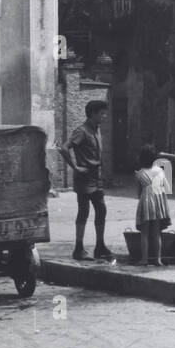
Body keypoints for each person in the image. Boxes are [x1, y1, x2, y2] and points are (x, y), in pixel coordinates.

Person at [59, 99, 113, 261]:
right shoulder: (81, 131)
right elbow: (63, 148)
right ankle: (78, 248)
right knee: (84, 212)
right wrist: (75, 167)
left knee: (101, 211)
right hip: (84, 178)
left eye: (105, 113)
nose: (104, 116)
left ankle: (100, 246)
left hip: (96, 178)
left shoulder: (96, 130)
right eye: (102, 114)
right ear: (92, 114)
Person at [135, 147, 172, 266]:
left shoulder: (140, 173)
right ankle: (158, 259)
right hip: (158, 202)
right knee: (156, 233)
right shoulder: (160, 171)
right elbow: (167, 187)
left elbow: (139, 193)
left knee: (144, 233)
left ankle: (145, 259)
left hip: (146, 202)